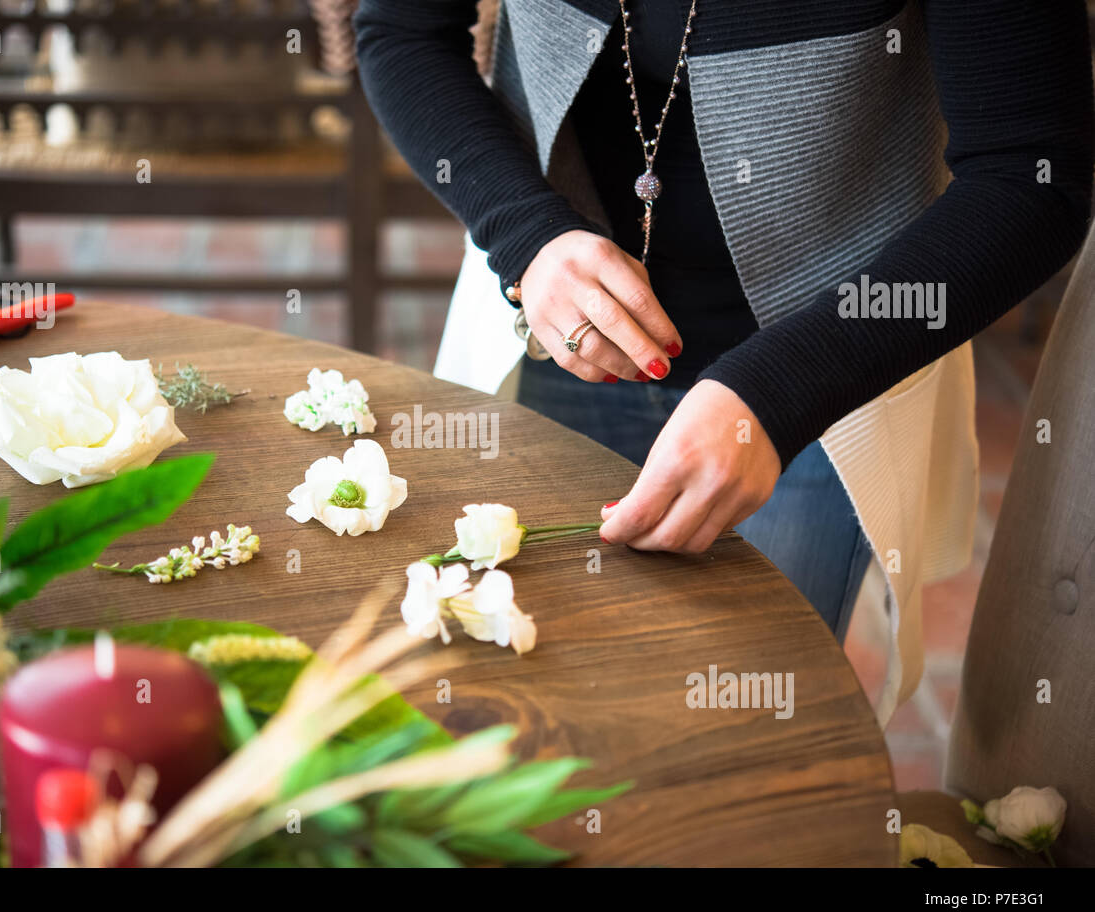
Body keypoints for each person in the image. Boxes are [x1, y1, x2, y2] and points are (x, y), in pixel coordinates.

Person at [354, 0, 1093, 717]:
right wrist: (524, 235)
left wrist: (776, 394)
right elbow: (401, 31)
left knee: (736, 733)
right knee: (516, 705)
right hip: (552, 334)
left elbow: (1032, 179)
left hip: (822, 391)